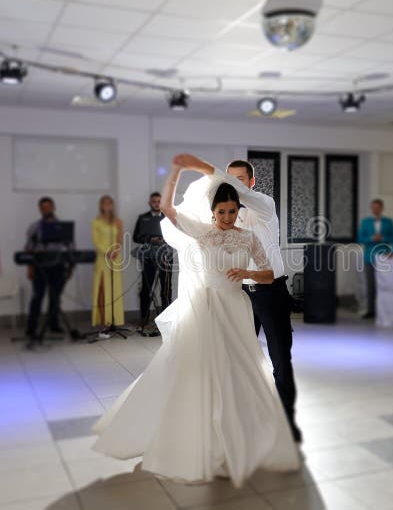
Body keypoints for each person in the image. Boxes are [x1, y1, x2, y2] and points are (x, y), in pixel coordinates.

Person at [92, 161, 300, 487]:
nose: (229, 215)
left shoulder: (258, 215)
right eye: (223, 210)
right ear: (215, 209)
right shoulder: (204, 230)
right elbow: (170, 211)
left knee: (261, 362)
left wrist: (246, 272)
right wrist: (178, 172)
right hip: (212, 305)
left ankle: (270, 426)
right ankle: (206, 434)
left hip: (250, 299)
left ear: (247, 186)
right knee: (207, 368)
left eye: (233, 208)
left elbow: (267, 270)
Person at [173, 155, 302, 443]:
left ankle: (285, 422)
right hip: (240, 295)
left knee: (280, 359)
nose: (229, 184)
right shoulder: (227, 215)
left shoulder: (264, 206)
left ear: (251, 182)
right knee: (240, 358)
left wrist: (203, 167)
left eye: (238, 179)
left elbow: (239, 195)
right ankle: (245, 418)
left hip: (271, 293)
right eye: (226, 179)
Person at [24, 197, 72, 346]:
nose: (46, 210)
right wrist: (30, 268)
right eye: (43, 207)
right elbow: (29, 249)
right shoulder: (34, 228)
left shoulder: (63, 227)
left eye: (49, 207)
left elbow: (71, 248)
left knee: (55, 297)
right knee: (37, 297)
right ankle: (31, 328)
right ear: (40, 210)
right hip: (40, 267)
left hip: (58, 267)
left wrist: (70, 268)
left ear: (54, 207)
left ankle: (54, 325)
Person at [133, 192, 172, 330]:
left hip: (166, 256)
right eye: (154, 201)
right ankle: (144, 319)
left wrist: (164, 240)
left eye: (158, 201)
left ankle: (167, 320)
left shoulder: (168, 217)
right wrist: (150, 239)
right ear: (150, 203)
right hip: (148, 257)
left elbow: (176, 235)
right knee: (146, 288)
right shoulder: (142, 218)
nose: (156, 204)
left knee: (166, 289)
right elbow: (135, 237)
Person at [357, 199, 393, 319]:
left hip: (384, 258)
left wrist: (382, 238)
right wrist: (372, 238)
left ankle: (382, 310)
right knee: (370, 284)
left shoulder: (389, 222)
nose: (375, 210)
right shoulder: (366, 222)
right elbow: (360, 238)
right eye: (373, 207)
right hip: (369, 257)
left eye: (378, 207)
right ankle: (371, 310)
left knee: (383, 284)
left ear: (382, 208)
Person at [91, 195, 124, 327]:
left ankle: (115, 320)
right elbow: (96, 241)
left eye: (109, 203)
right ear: (101, 205)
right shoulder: (96, 222)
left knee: (114, 288)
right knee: (103, 288)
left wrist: (116, 250)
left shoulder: (117, 221)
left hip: (115, 258)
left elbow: (120, 238)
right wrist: (107, 251)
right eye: (104, 203)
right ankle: (105, 320)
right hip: (102, 258)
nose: (107, 205)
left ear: (112, 205)